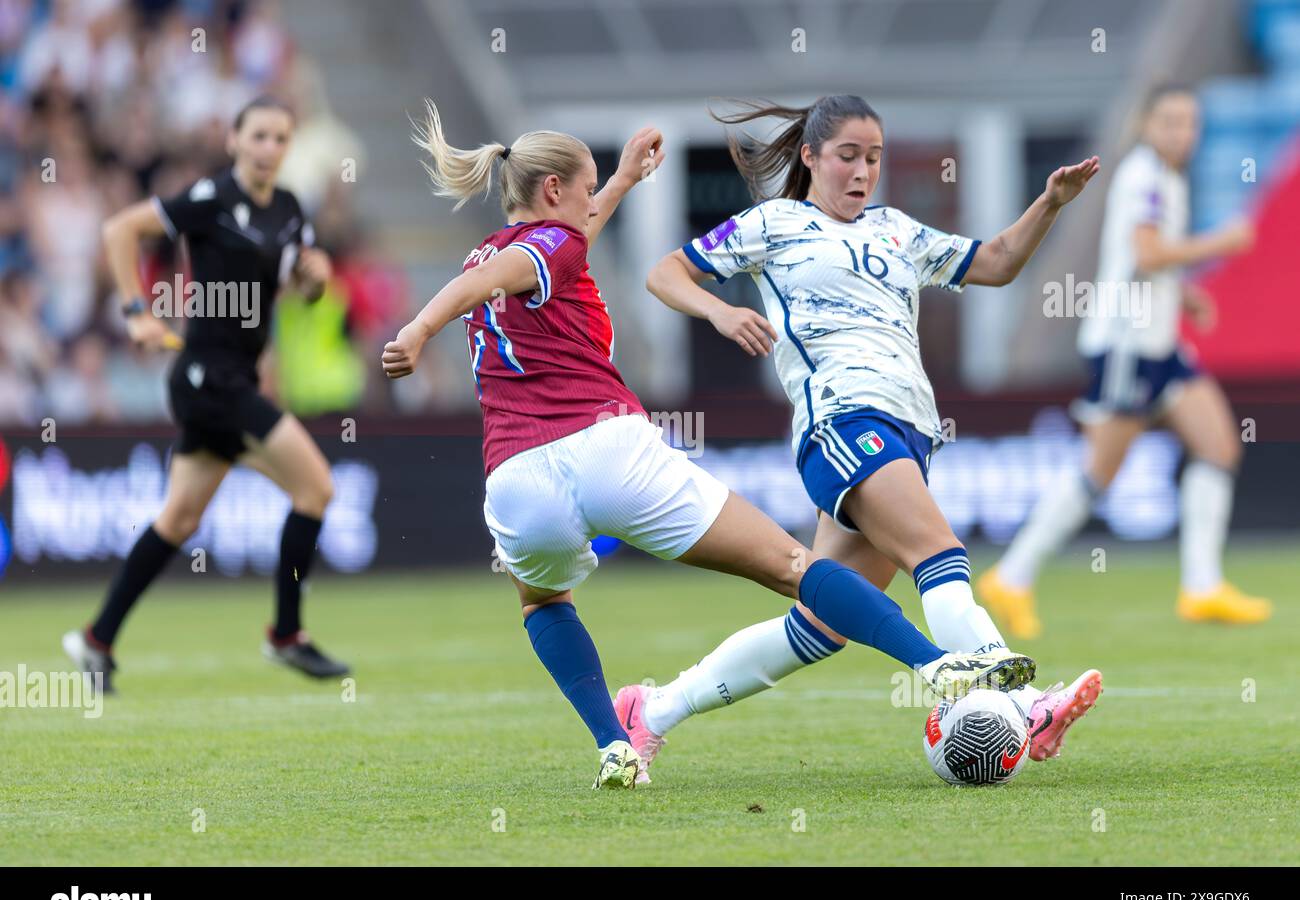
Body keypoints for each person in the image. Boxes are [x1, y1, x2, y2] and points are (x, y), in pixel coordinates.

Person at [381, 101, 1035, 790]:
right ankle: (935, 663)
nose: (590, 203)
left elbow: (524, 256)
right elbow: (521, 263)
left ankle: (615, 741)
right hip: (607, 451)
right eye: (586, 186)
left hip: (515, 476)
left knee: (543, 605)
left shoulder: (505, 248)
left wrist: (624, 180)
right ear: (553, 192)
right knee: (790, 563)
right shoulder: (545, 249)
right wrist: (418, 330)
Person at [625, 95, 1103, 782]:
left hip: (908, 431)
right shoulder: (775, 223)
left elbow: (995, 262)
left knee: (819, 627)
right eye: (847, 155)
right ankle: (1025, 703)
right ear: (812, 157)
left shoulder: (897, 231)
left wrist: (1051, 202)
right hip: (844, 423)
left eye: (873, 158)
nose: (861, 171)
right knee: (938, 554)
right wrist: (721, 311)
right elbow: (665, 271)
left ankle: (652, 709)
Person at [62, 94, 348, 693]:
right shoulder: (210, 198)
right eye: (259, 136)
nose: (269, 148)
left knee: (179, 517)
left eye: (280, 138)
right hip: (204, 379)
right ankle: (286, 636)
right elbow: (121, 231)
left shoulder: (291, 209)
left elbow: (302, 283)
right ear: (235, 141)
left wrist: (316, 281)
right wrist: (137, 311)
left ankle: (96, 639)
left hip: (236, 379)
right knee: (316, 487)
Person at [979, 84, 1268, 637]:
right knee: (1099, 472)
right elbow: (1147, 252)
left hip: (1159, 345)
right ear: (1146, 124)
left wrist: (1182, 294)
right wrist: (1222, 243)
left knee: (1218, 445)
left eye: (1189, 122)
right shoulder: (1144, 177)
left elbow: (1146, 261)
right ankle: (1012, 574)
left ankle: (1202, 586)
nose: (1181, 133)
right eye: (1170, 122)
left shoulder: (1166, 178)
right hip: (1126, 347)